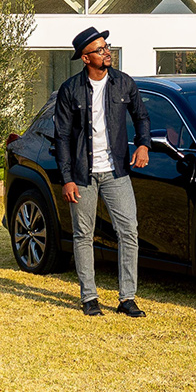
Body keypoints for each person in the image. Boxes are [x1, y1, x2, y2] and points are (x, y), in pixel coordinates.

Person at [53, 27, 151, 317]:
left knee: (129, 231)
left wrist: (144, 145)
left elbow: (142, 116)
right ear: (85, 58)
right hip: (82, 174)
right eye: (99, 49)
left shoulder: (124, 84)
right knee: (84, 235)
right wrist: (67, 178)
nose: (107, 52)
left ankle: (127, 298)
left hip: (116, 171)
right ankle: (89, 298)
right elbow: (61, 137)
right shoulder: (70, 91)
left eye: (107, 47)